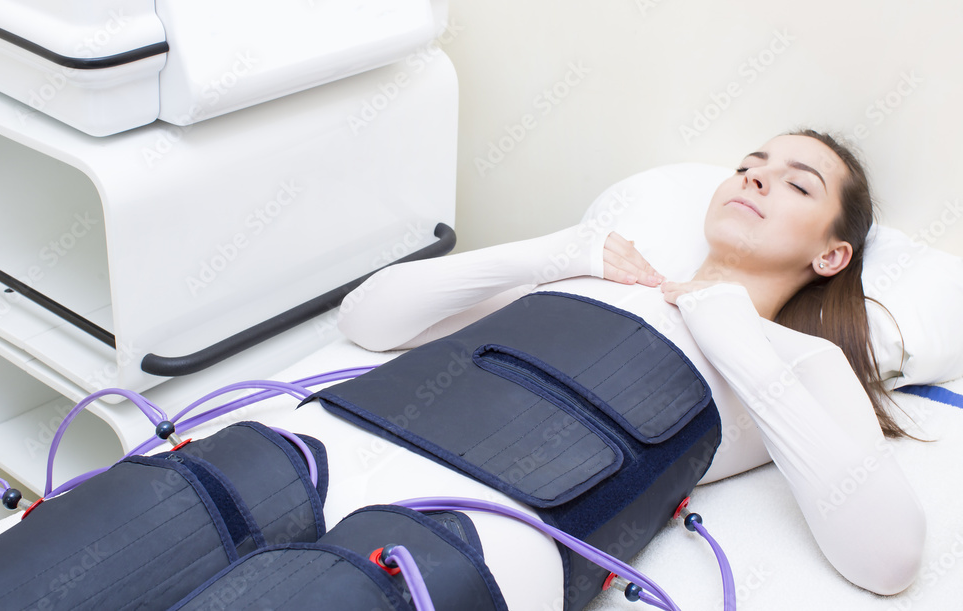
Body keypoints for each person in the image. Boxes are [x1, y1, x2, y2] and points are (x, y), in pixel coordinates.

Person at [316, 129, 925, 603]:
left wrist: (741, 345)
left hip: (441, 540)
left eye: (798, 184)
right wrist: (548, 254)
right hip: (319, 457)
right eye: (748, 166)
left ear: (832, 255)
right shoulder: (592, 275)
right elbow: (366, 321)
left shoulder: (796, 360)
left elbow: (890, 558)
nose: (755, 180)